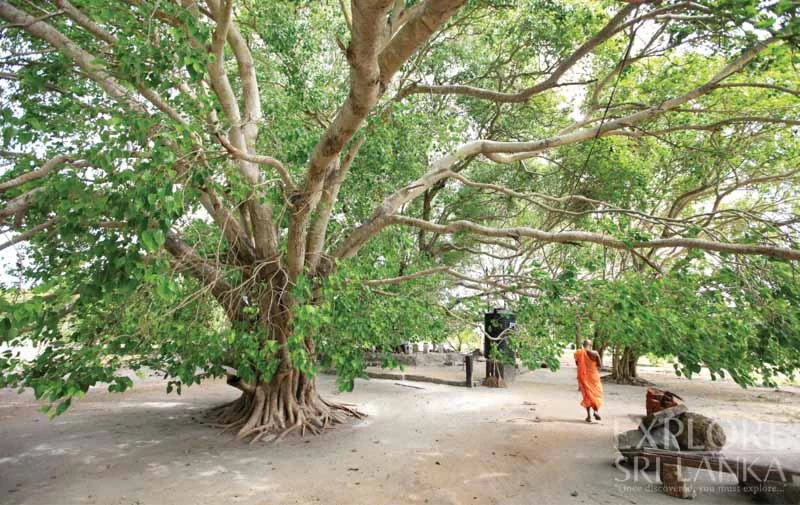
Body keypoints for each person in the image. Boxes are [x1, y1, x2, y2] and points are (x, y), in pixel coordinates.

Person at [574, 339, 603, 423]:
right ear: (590, 345)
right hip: (594, 377)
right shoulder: (595, 353)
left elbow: (577, 364)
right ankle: (595, 411)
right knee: (596, 394)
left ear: (583, 345)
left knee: (587, 395)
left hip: (584, 377)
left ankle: (589, 416)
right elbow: (600, 365)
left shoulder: (578, 353)